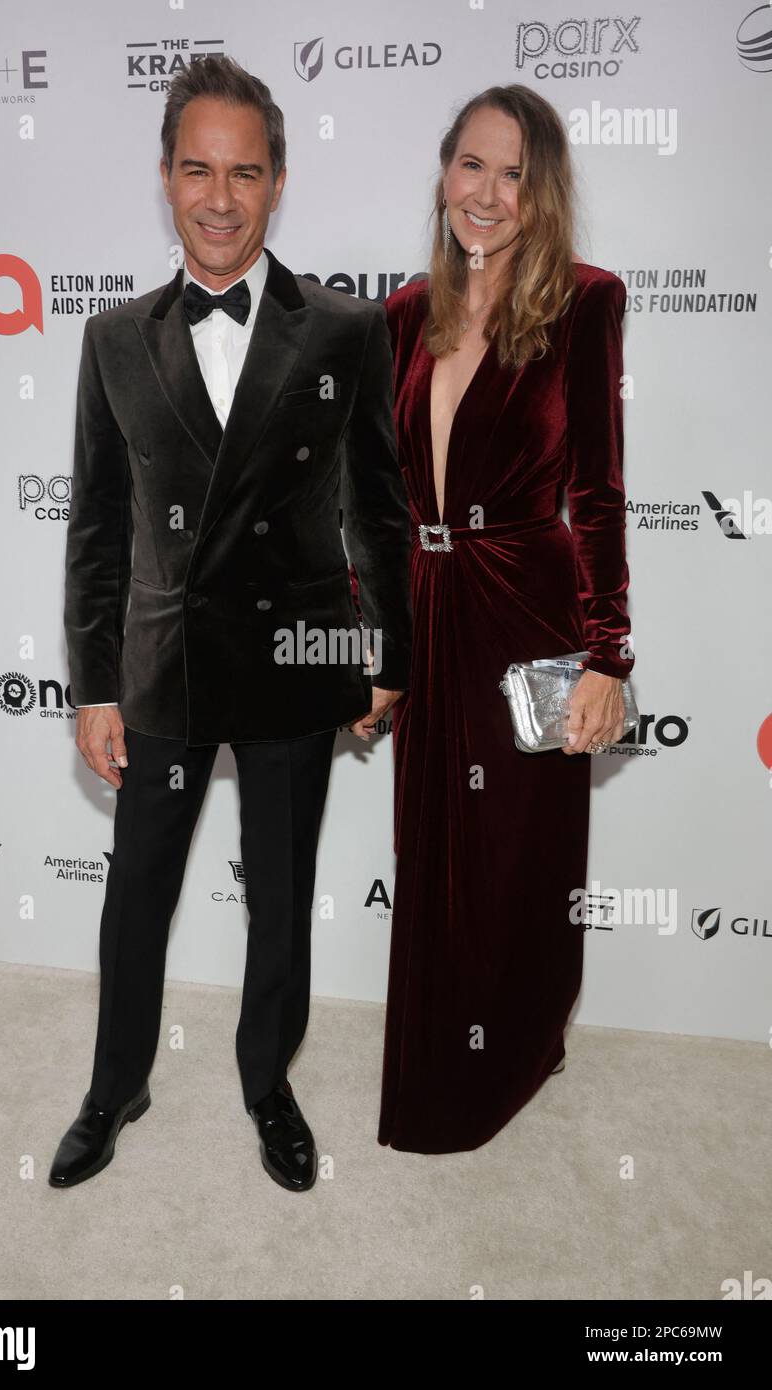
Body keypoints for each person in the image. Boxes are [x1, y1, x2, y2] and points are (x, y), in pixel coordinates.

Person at [50, 56, 411, 1192]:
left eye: (244, 172)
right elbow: (98, 526)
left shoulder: (348, 329)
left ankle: (268, 1083)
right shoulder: (112, 337)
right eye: (197, 169)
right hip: (162, 668)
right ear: (165, 177)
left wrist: (384, 653)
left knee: (281, 895)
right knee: (136, 897)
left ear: (279, 180)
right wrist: (93, 683)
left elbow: (381, 509)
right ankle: (116, 1084)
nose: (220, 196)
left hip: (299, 661)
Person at [378, 85, 635, 1154]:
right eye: (471, 165)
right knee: (435, 848)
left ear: (541, 195)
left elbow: (601, 492)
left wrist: (608, 654)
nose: (487, 192)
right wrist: (376, 646)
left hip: (529, 611)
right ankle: (440, 1063)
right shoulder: (399, 316)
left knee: (524, 854)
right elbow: (381, 506)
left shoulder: (583, 301)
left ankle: (523, 1045)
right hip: (430, 609)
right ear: (444, 173)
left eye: (514, 173)